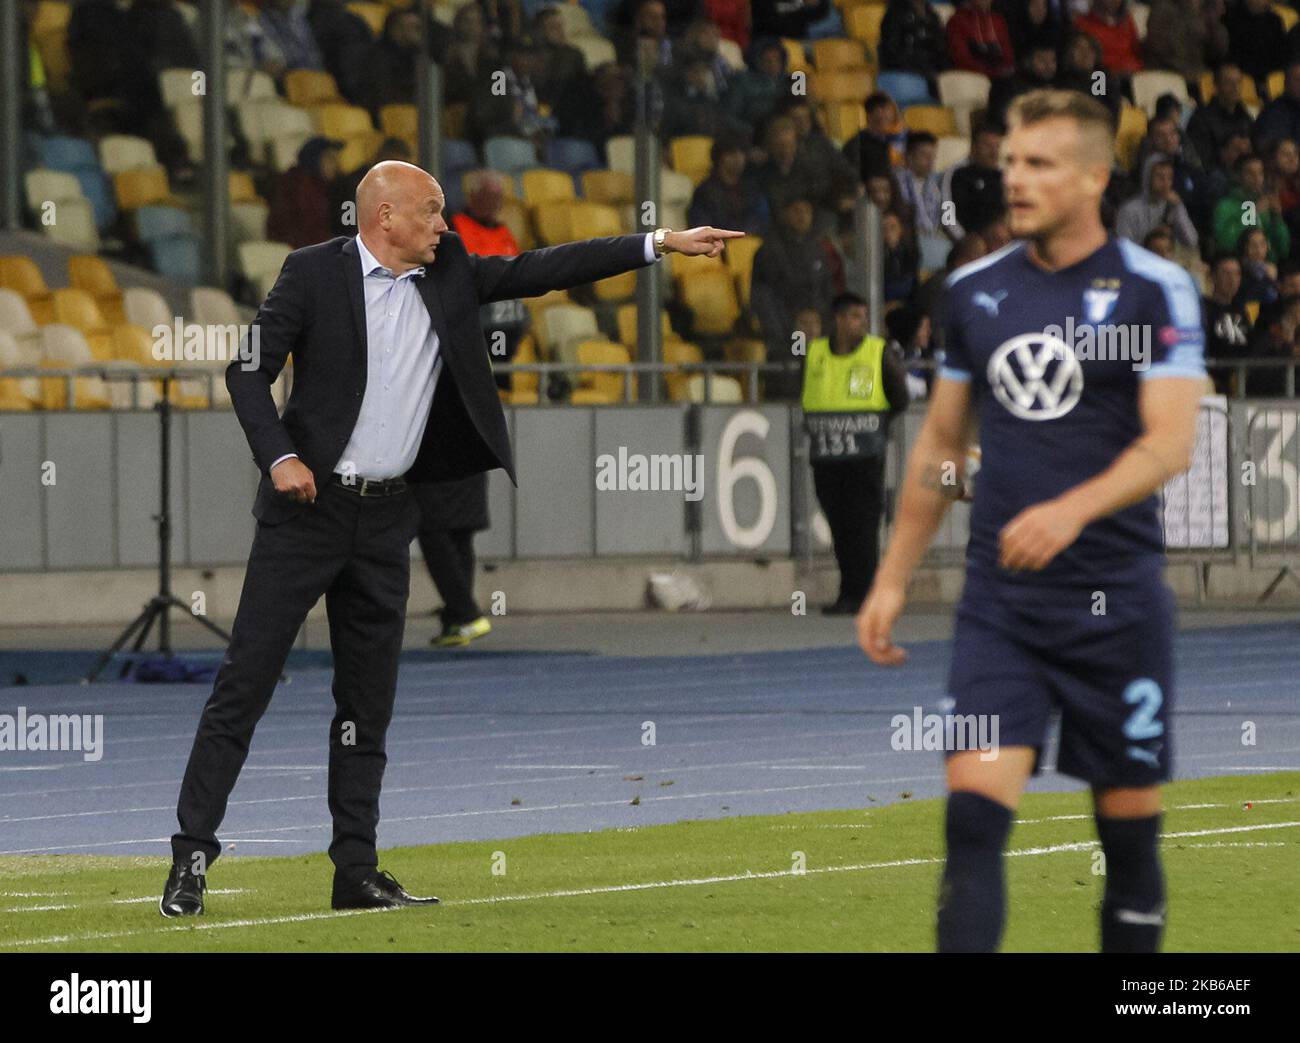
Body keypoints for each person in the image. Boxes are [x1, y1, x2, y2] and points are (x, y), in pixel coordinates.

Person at [159, 157, 743, 917]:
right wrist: (279, 456)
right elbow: (246, 371)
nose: (445, 224)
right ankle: (191, 857)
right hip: (307, 515)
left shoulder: (450, 272)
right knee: (245, 686)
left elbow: (543, 268)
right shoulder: (309, 274)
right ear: (385, 218)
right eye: (432, 211)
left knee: (366, 704)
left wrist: (660, 241)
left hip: (388, 517)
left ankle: (356, 870)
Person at [858, 89, 1206, 952]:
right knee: (971, 826)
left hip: (1117, 609)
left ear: (1094, 177)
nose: (1014, 178)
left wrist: (1070, 509)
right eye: (1011, 160)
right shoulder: (972, 293)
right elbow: (941, 446)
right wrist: (891, 578)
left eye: (1039, 163)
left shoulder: (1156, 289)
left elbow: (1170, 445)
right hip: (1002, 610)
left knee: (1128, 843)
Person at [802, 293, 909, 615]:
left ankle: (864, 594)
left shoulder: (878, 352)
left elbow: (899, 397)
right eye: (855, 317)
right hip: (827, 457)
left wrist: (875, 427)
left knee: (862, 526)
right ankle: (850, 592)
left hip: (863, 458)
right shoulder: (816, 354)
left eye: (864, 317)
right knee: (839, 526)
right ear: (839, 319)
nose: (862, 323)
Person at [1202, 252, 1253, 394]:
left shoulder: (1242, 311)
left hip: (1241, 382)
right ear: (1212, 277)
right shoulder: (1202, 309)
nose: (1232, 280)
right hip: (1213, 383)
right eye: (1226, 274)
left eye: (1237, 274)